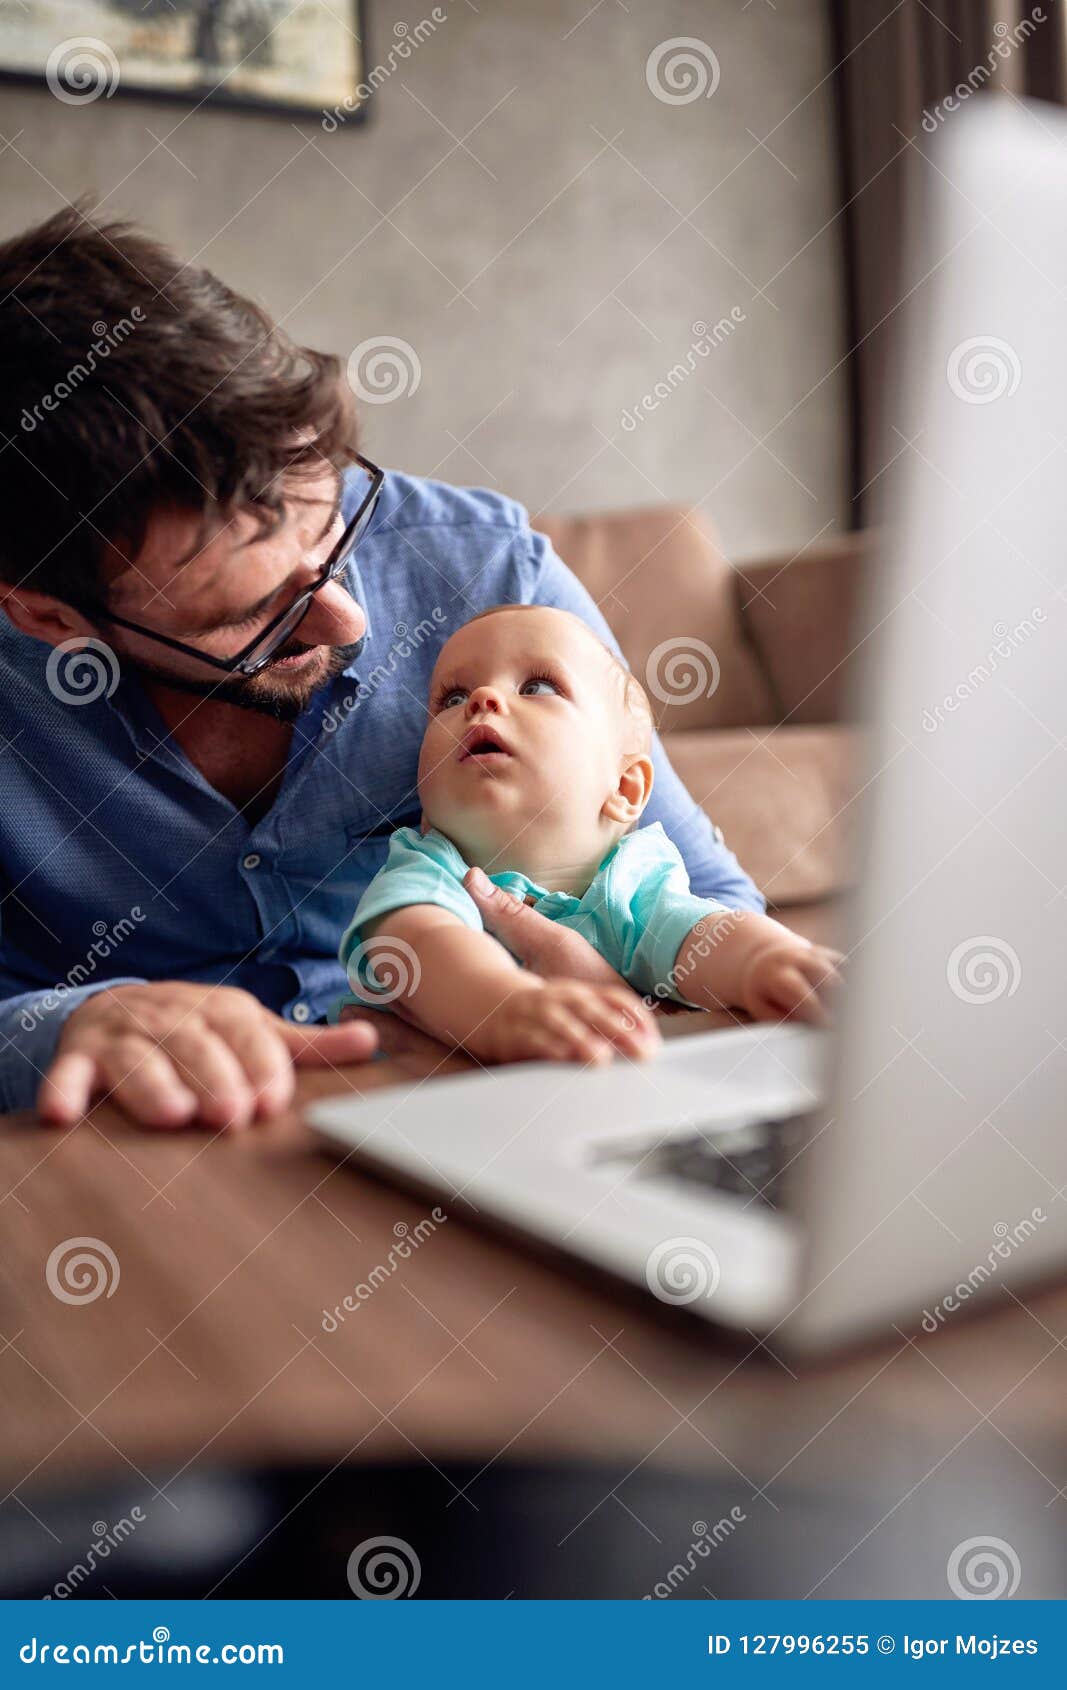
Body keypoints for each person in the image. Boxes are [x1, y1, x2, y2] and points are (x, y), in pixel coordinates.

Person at [0, 203, 762, 1132]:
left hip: (469, 1111)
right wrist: (60, 1026)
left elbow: (709, 896)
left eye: (337, 533)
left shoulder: (485, 570)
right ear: (46, 615)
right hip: (132, 1148)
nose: (348, 619)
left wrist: (621, 988)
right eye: (252, 615)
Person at [340, 606, 841, 1063]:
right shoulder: (428, 868)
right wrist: (507, 1006)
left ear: (624, 786)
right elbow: (424, 941)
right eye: (451, 697)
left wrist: (765, 959)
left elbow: (701, 934)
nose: (481, 700)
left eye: (536, 687)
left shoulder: (634, 887)